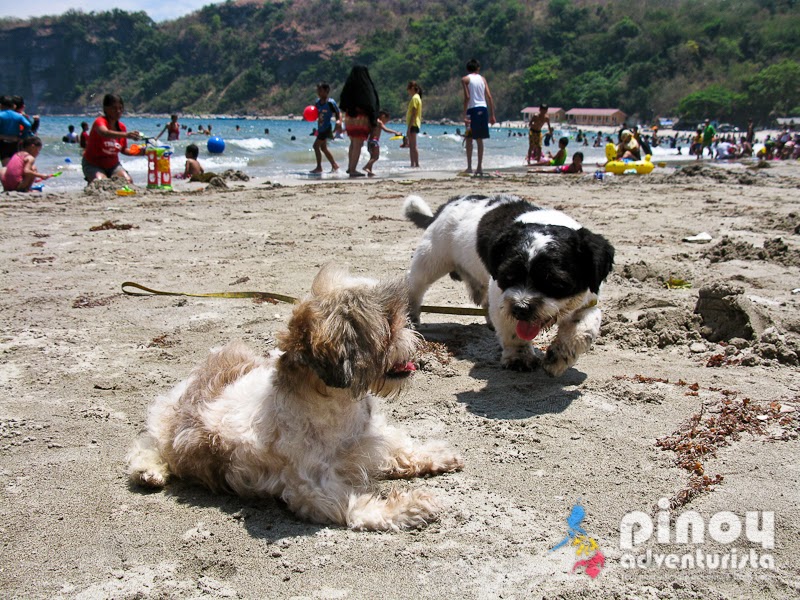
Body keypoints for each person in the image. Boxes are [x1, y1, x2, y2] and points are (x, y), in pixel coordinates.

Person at [82, 93, 141, 184]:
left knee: (128, 182)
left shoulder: (122, 128)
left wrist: (143, 151)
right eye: (114, 108)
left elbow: (124, 150)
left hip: (113, 165)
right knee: (102, 183)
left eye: (120, 108)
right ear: (106, 109)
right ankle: (92, 178)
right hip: (93, 164)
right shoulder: (99, 122)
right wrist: (126, 135)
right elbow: (104, 133)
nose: (118, 111)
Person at [339, 66, 380, 177]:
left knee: (352, 143)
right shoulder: (366, 87)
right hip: (361, 118)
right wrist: (373, 119)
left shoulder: (349, 86)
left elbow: (343, 101)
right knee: (358, 144)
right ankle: (352, 169)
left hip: (349, 117)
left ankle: (350, 167)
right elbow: (371, 103)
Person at [460, 59, 496, 176]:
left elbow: (467, 97)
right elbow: (489, 97)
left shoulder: (465, 79)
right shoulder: (483, 79)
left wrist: (464, 114)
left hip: (472, 110)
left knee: (469, 139)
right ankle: (479, 167)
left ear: (467, 69)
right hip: (483, 109)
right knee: (479, 140)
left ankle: (469, 167)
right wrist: (492, 115)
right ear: (478, 68)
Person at [310, 82, 341, 174]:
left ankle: (319, 167)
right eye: (318, 90)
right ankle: (334, 165)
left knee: (315, 146)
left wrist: (338, 121)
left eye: (321, 90)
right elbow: (315, 113)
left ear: (326, 91)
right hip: (320, 128)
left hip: (326, 128)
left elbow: (338, 113)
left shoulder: (330, 102)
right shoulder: (317, 102)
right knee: (323, 148)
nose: (318, 92)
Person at [363, 110, 401, 176]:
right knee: (376, 157)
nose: (385, 122)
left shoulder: (374, 121)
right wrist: (395, 132)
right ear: (383, 116)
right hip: (374, 141)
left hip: (370, 141)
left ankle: (369, 172)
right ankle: (366, 167)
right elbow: (386, 130)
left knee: (372, 157)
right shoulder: (379, 122)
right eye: (386, 120)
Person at [0, 95, 34, 166]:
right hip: (15, 142)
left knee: (5, 164)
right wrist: (22, 136)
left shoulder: (1, 115)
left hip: (2, 142)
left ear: (0, 106)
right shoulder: (18, 116)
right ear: (14, 106)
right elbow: (28, 125)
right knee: (14, 163)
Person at [405, 81, 422, 168]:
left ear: (412, 88)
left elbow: (414, 113)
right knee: (412, 145)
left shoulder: (415, 98)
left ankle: (416, 164)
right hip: (415, 124)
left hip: (413, 124)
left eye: (408, 89)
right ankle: (413, 164)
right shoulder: (417, 97)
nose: (408, 92)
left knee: (413, 145)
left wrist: (409, 127)